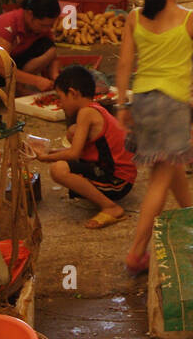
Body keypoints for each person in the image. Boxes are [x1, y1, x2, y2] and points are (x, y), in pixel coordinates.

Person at [115, 0, 193, 274]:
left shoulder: (134, 18)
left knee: (168, 163)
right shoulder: (192, 20)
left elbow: (124, 66)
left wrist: (121, 105)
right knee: (159, 180)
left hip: (142, 102)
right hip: (173, 105)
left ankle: (191, 214)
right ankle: (135, 252)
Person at [31, 65, 136, 230]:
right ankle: (100, 195)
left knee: (58, 169)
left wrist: (47, 158)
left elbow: (74, 154)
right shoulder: (93, 109)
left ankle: (111, 207)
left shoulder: (86, 113)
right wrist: (49, 152)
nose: (61, 104)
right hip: (110, 170)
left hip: (118, 181)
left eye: (61, 98)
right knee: (72, 133)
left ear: (73, 93)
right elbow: (77, 152)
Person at [0, 0, 62, 106]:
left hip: (14, 64)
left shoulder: (41, 29)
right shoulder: (9, 22)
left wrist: (56, 78)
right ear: (30, 15)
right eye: (43, 25)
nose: (47, 29)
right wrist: (36, 80)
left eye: (50, 26)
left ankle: (19, 88)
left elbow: (53, 56)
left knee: (49, 48)